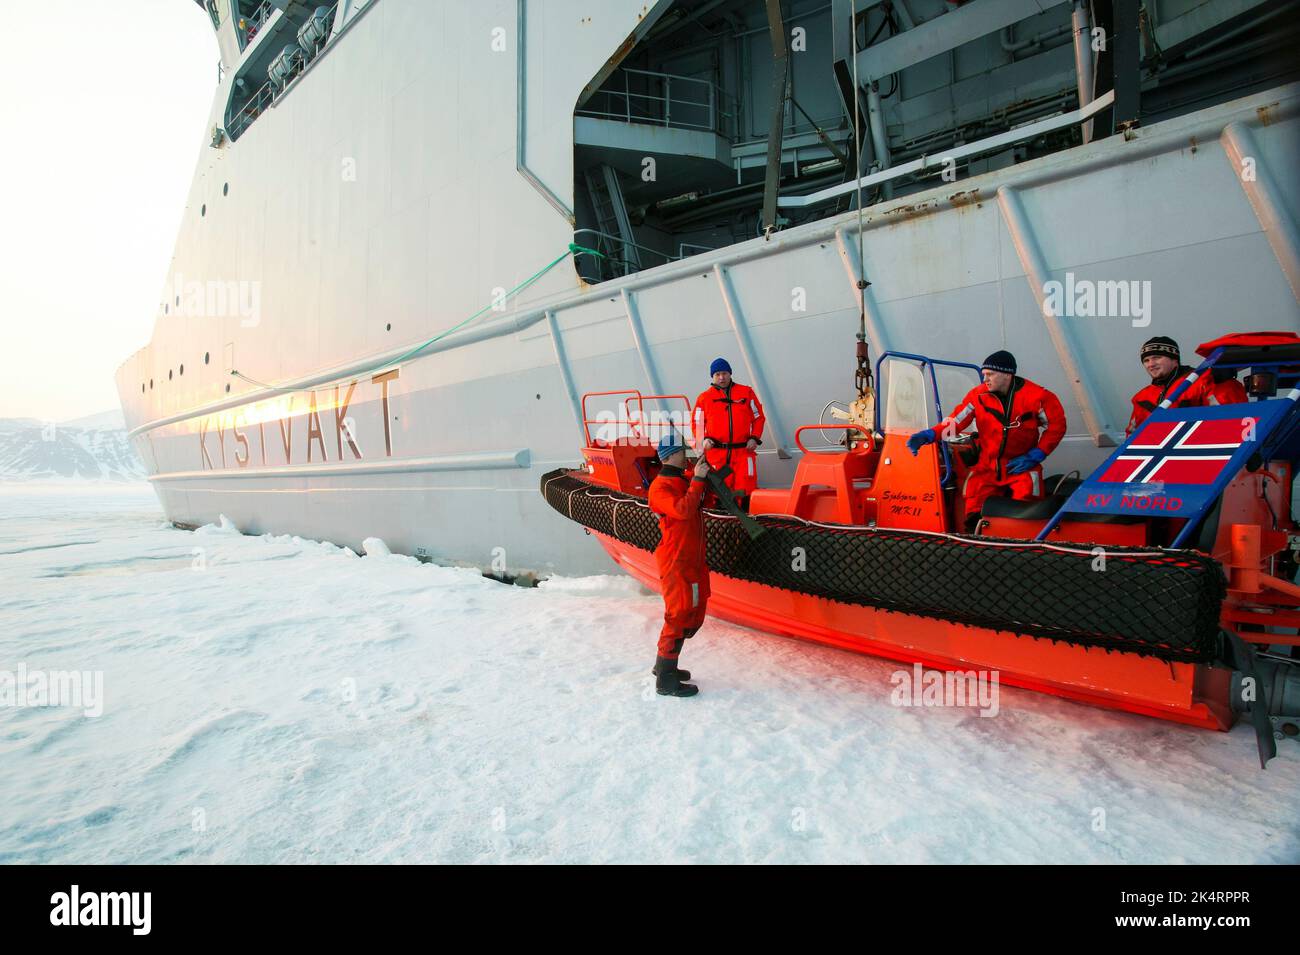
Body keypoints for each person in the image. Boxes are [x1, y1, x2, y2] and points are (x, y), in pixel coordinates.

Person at [906, 350, 1067, 531]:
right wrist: (929, 435)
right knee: (974, 504)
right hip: (987, 468)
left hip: (1022, 466)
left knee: (1027, 512)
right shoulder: (977, 396)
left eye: (990, 374)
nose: (985, 380)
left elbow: (1057, 426)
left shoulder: (1039, 397)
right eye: (984, 375)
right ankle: (977, 546)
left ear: (1007, 374)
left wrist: (1038, 454)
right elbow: (955, 423)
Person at [647, 432, 711, 698]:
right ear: (671, 455)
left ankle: (664, 665)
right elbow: (683, 510)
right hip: (676, 561)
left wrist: (699, 478)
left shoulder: (680, 481)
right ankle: (666, 680)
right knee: (678, 614)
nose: (686, 455)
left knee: (693, 611)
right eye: (682, 451)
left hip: (691, 560)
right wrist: (697, 480)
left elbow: (694, 502)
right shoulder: (660, 488)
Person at [1126, 336, 1247, 435]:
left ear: (1175, 360)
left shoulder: (1203, 381)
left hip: (1200, 452)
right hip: (1160, 457)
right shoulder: (1141, 398)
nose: (1150, 364)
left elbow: (1229, 418)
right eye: (1146, 360)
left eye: (1157, 357)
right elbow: (1132, 436)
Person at [692, 358, 765, 502]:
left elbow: (758, 417)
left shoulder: (746, 392)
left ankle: (746, 521)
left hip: (743, 453)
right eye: (717, 374)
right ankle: (723, 523)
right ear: (712, 376)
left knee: (746, 491)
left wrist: (754, 437)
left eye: (724, 373)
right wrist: (703, 440)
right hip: (717, 455)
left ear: (730, 374)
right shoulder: (704, 398)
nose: (721, 377)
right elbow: (696, 423)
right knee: (719, 492)